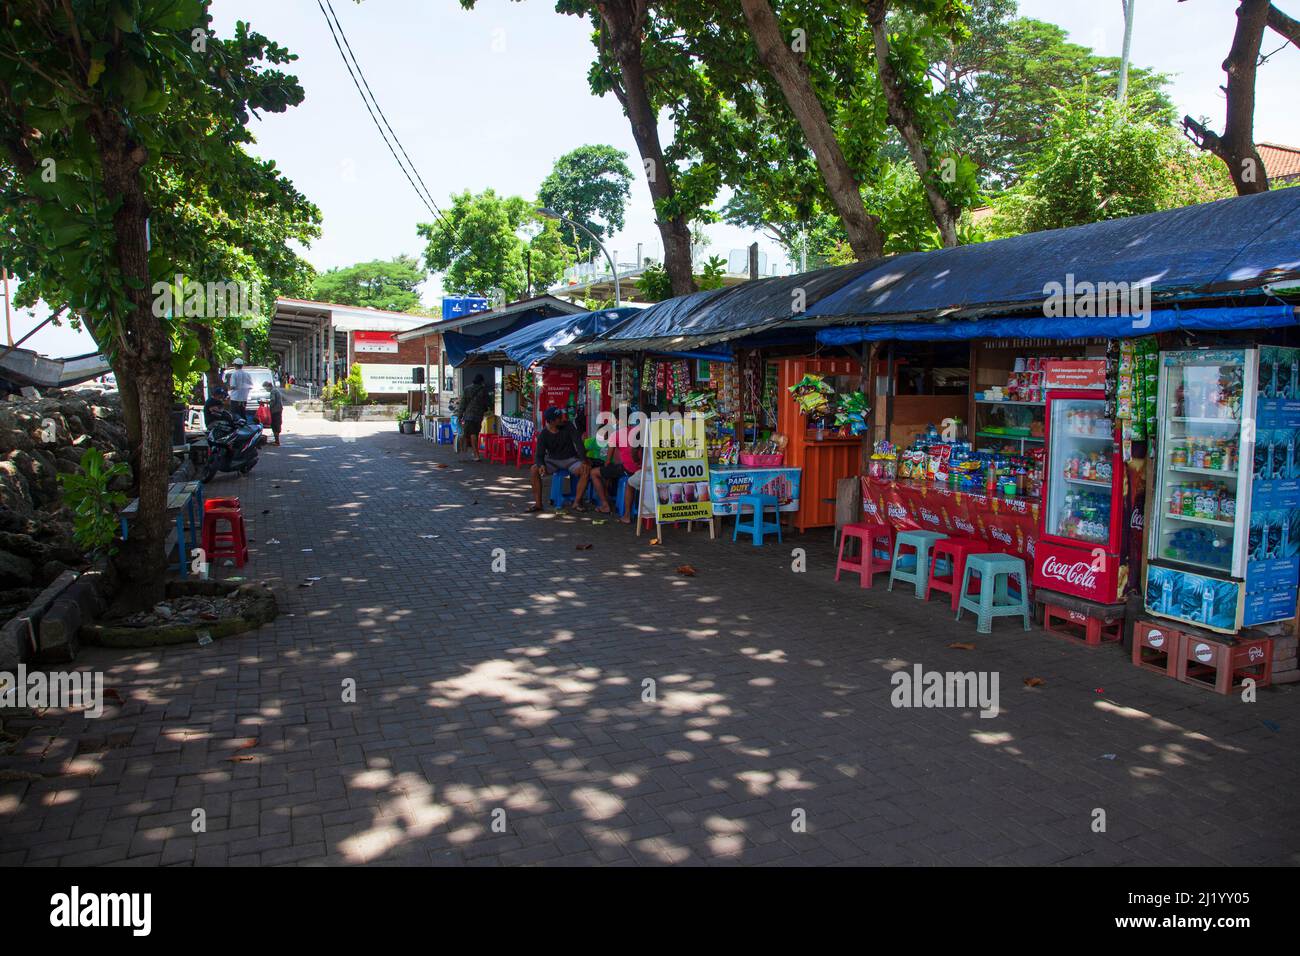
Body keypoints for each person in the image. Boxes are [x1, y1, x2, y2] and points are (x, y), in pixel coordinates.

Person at [528, 406, 603, 513]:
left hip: (571, 460)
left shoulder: (568, 425)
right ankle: (538, 504)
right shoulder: (543, 434)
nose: (562, 418)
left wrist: (584, 460)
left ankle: (577, 502)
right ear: (552, 421)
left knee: (586, 469)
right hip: (553, 461)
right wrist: (541, 465)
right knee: (534, 469)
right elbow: (539, 455)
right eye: (559, 418)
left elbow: (578, 443)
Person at [458, 373, 490, 461]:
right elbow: (488, 403)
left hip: (468, 415)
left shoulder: (467, 389)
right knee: (474, 434)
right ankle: (475, 454)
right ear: (481, 381)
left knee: (467, 434)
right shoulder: (483, 390)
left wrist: (459, 415)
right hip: (478, 416)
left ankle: (466, 453)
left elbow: (462, 404)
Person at [266, 380, 285, 446]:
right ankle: (276, 440)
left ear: (269, 386)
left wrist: (269, 404)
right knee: (277, 424)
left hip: (275, 410)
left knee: (275, 425)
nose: (266, 389)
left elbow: (273, 400)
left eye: (265, 387)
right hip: (278, 409)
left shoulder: (273, 391)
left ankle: (277, 441)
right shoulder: (275, 390)